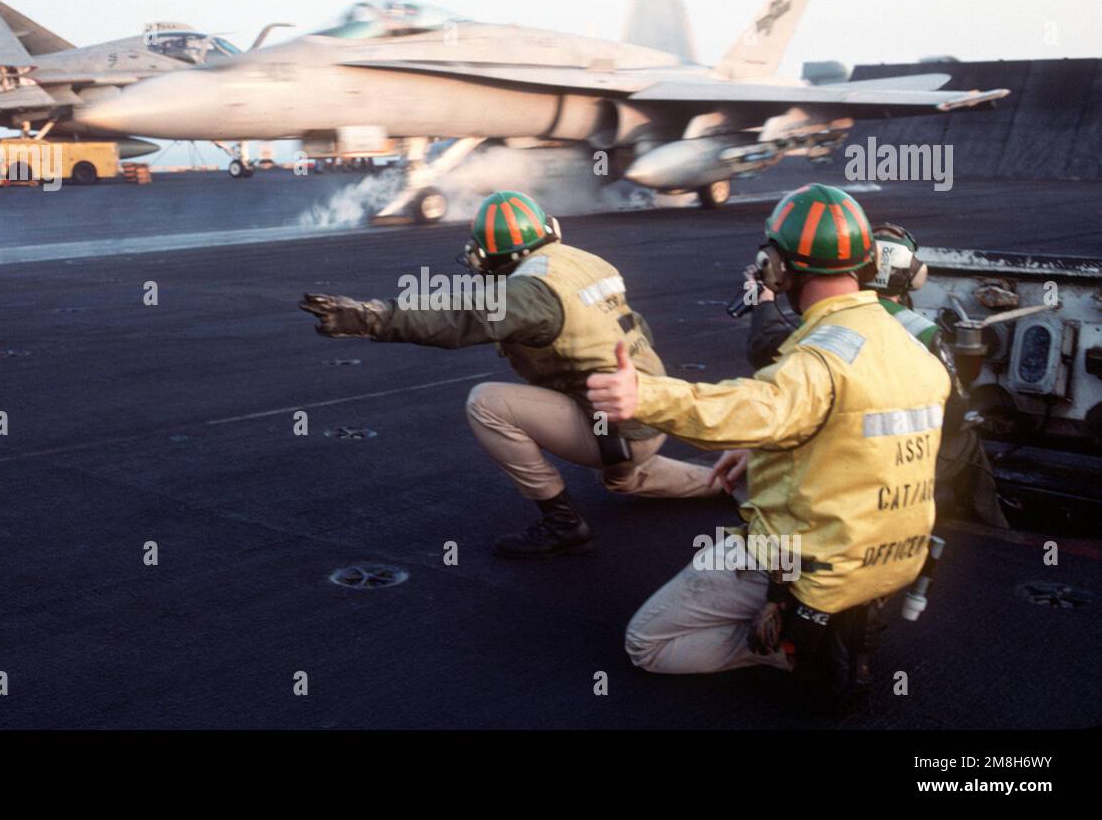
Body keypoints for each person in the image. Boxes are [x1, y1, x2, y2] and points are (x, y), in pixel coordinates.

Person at [587, 184, 951, 713]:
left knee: (648, 643)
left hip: (808, 561)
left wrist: (640, 395)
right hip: (894, 556)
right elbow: (850, 436)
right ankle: (841, 622)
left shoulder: (819, 358)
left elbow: (750, 406)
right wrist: (763, 454)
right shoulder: (914, 345)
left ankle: (794, 647)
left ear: (776, 268)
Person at [300, 190, 722, 558]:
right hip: (652, 406)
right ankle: (724, 480)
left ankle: (563, 525)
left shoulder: (529, 292)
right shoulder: (584, 261)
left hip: (617, 425)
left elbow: (459, 318)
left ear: (494, 256)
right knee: (622, 480)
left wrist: (372, 318)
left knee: (487, 403)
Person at [742, 222, 1006, 528]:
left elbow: (765, 347)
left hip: (830, 461)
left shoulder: (822, 320)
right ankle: (997, 532)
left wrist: (761, 301)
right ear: (912, 275)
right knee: (966, 440)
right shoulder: (924, 331)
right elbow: (953, 413)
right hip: (893, 463)